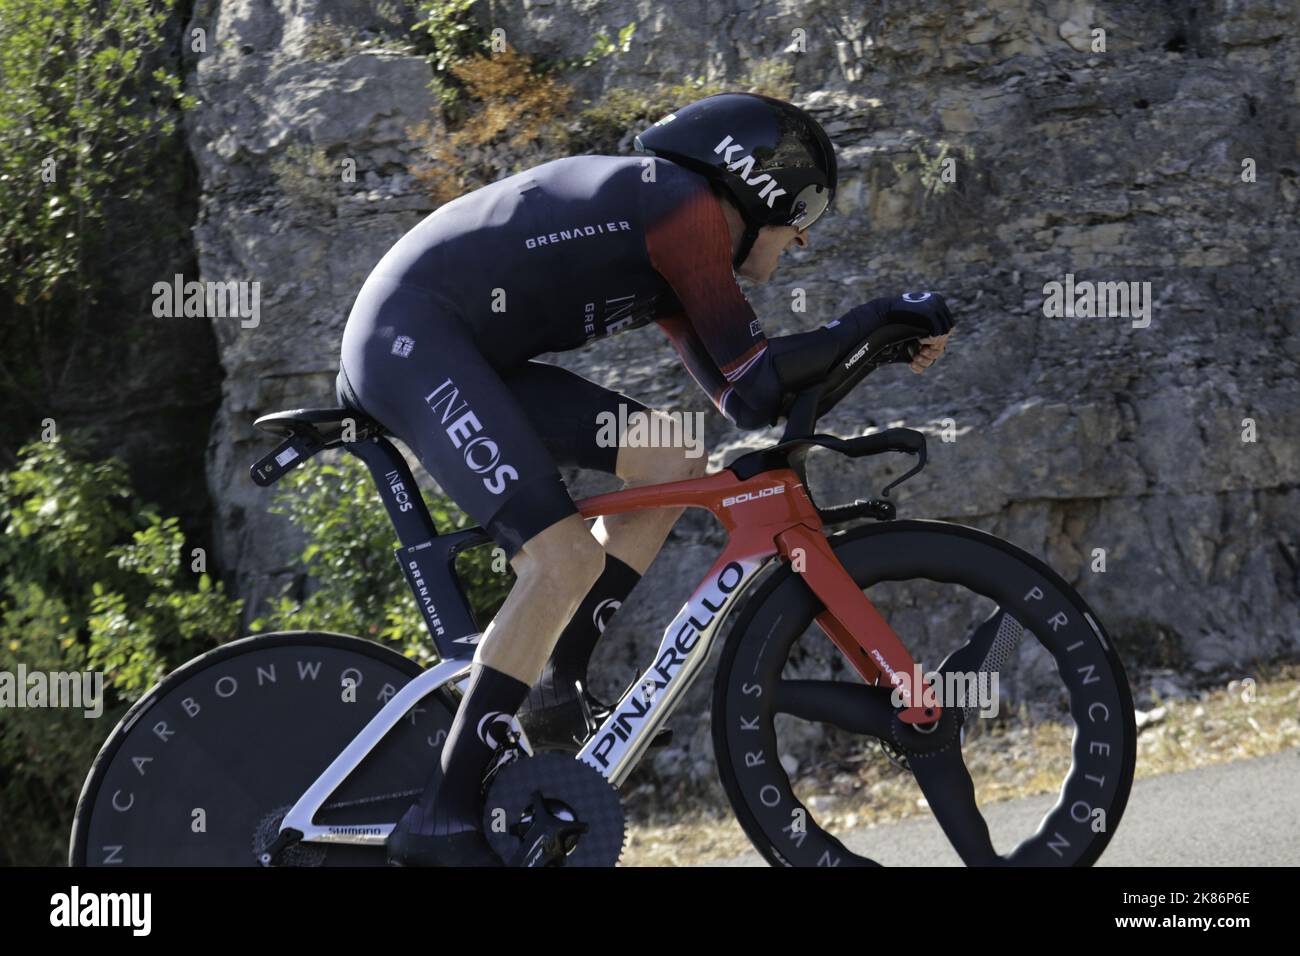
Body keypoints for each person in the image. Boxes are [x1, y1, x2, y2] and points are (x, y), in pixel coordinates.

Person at [334, 92, 954, 866]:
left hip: (455, 345)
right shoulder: (681, 207)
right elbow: (762, 380)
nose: (804, 234)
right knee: (561, 559)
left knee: (670, 457)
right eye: (806, 211)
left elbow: (747, 399)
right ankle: (443, 815)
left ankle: (554, 682)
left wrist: (875, 346)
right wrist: (877, 317)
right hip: (409, 339)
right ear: (759, 186)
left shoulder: (674, 233)